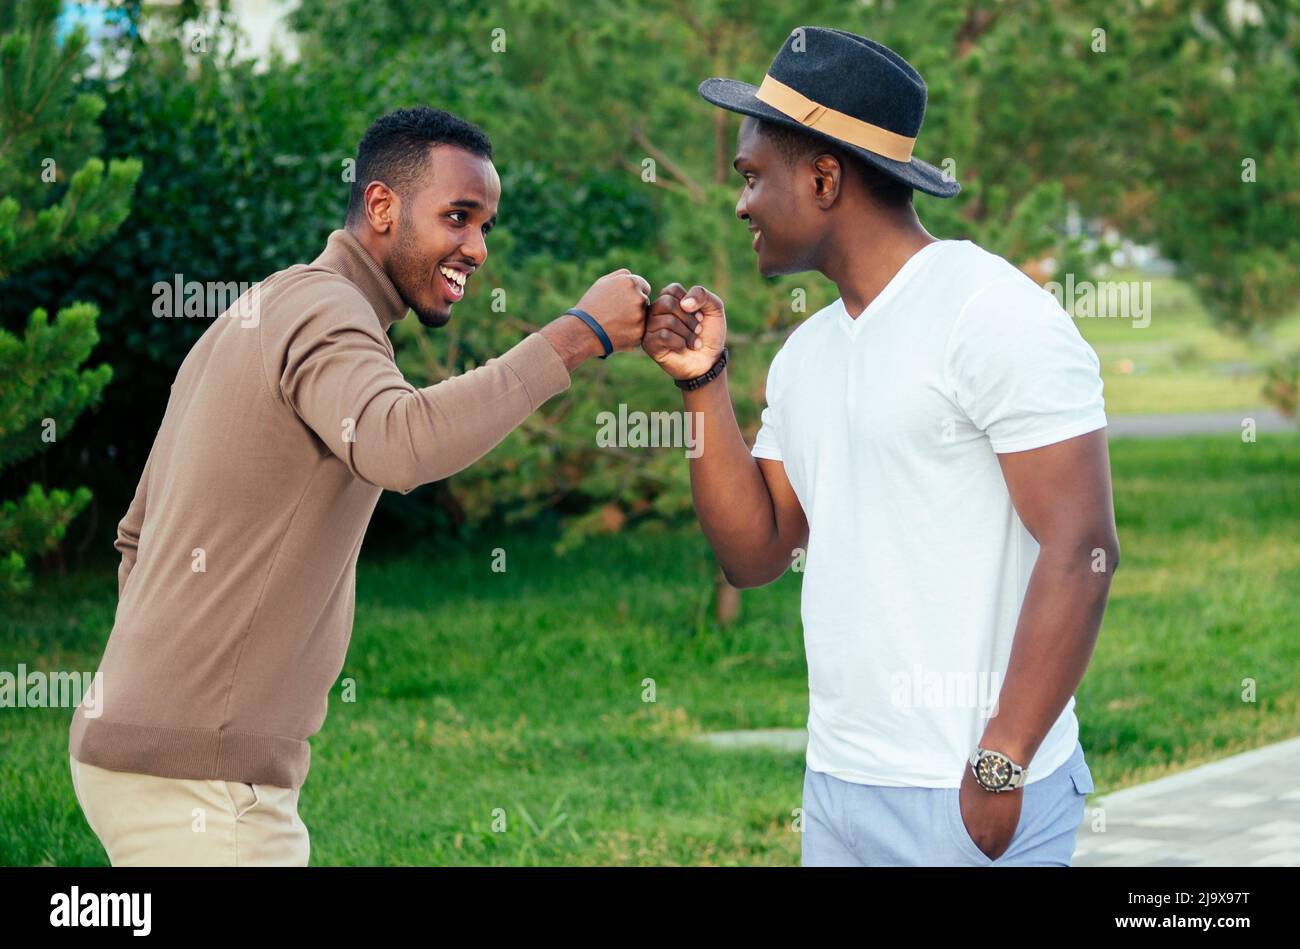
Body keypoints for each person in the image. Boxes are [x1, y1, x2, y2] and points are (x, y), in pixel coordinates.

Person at [68, 106, 648, 866]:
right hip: (203, 782)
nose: (475, 248)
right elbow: (398, 442)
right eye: (458, 218)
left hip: (143, 754)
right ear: (381, 207)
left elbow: (134, 536)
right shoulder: (326, 310)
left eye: (486, 227)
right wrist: (579, 335)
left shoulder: (260, 309)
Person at [642, 27, 1117, 866]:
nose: (741, 202)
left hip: (973, 792)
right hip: (838, 788)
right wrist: (703, 383)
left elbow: (1082, 545)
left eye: (753, 177)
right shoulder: (807, 355)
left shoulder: (991, 314)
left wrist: (1001, 764)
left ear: (825, 178)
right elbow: (754, 554)